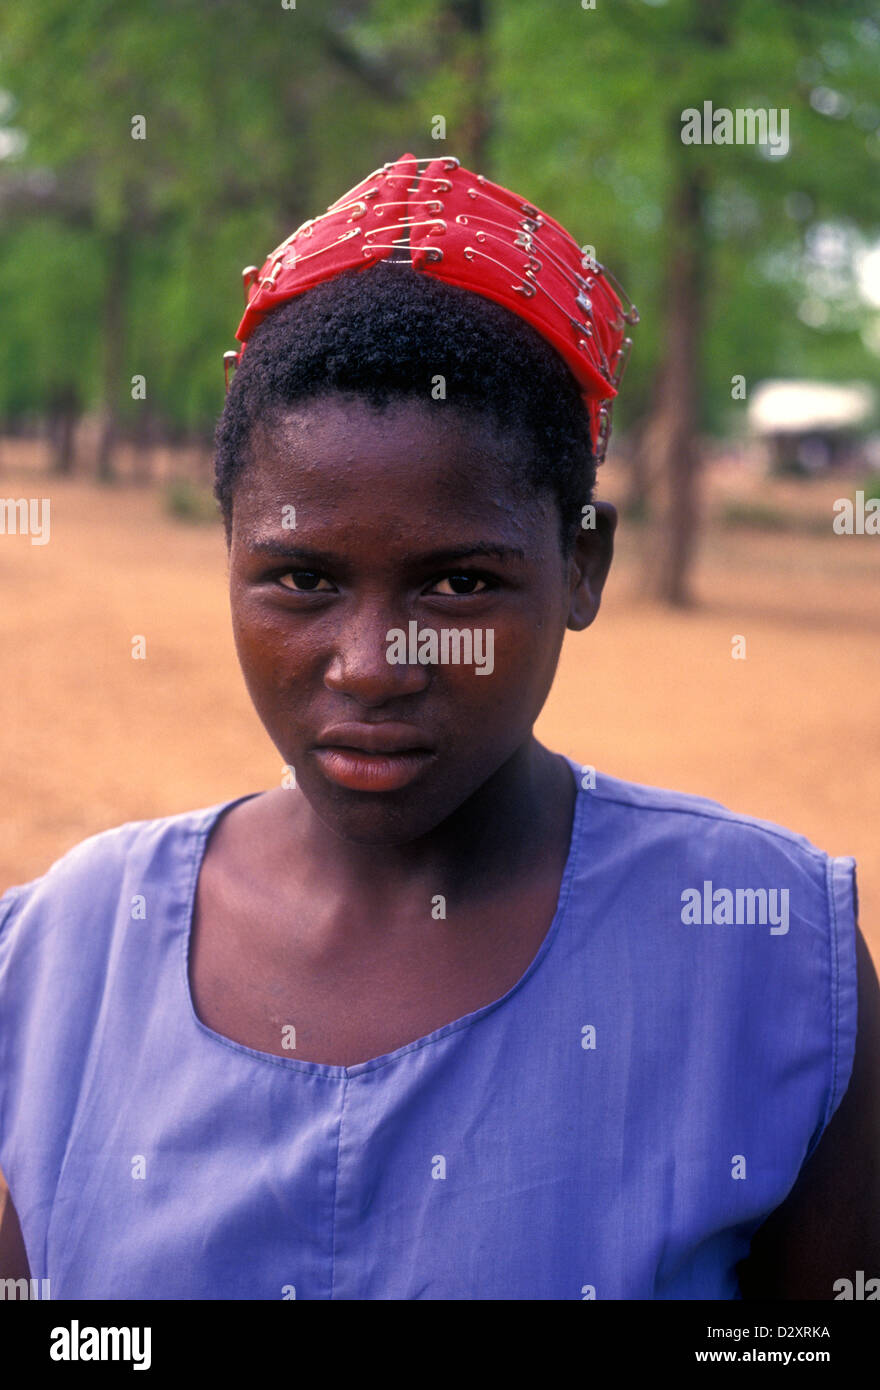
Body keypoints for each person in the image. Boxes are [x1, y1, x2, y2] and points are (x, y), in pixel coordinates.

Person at [1, 154, 878, 1301]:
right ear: (227, 553)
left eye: (457, 585)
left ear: (580, 564)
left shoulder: (765, 955)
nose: (371, 665)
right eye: (301, 579)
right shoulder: (64, 958)